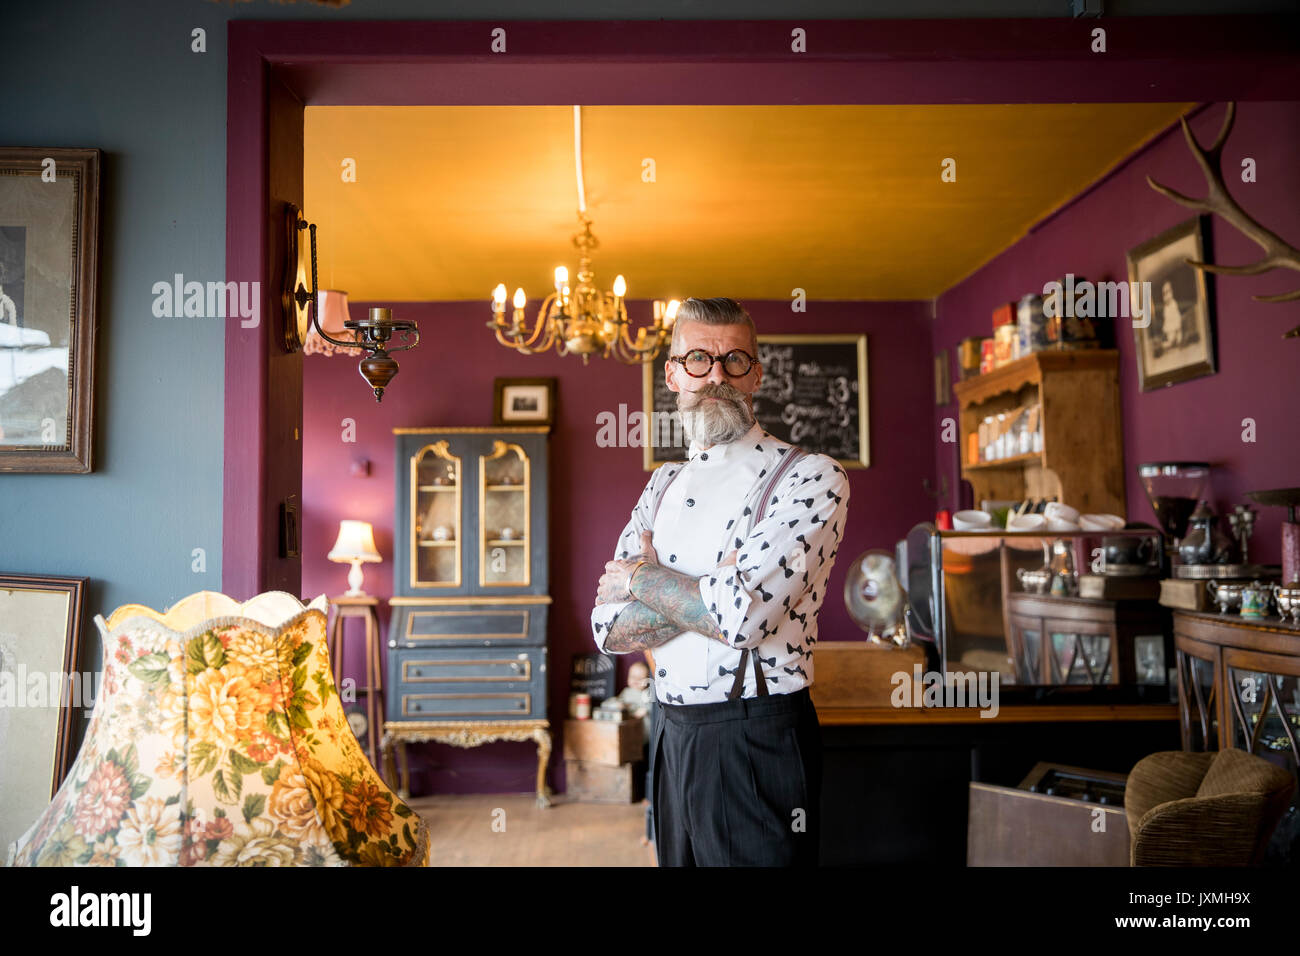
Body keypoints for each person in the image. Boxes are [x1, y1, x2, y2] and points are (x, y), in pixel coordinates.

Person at [591, 296, 850, 867]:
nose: (717, 377)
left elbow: (743, 619)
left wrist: (640, 577)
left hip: (755, 737)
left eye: (734, 360)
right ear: (673, 374)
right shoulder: (661, 483)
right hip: (671, 731)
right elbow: (608, 628)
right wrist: (714, 584)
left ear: (755, 374)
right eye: (698, 361)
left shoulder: (811, 476)